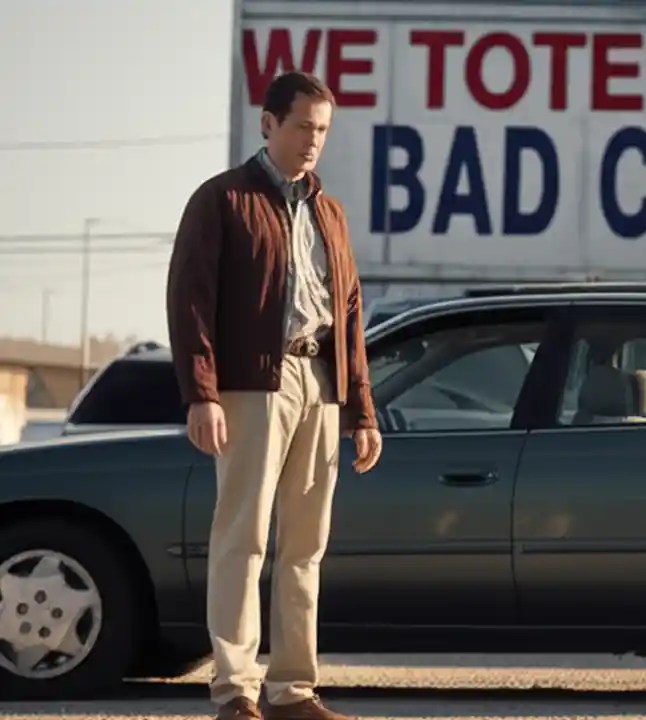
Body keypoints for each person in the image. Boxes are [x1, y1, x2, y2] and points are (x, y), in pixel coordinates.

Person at [166, 71, 382, 720]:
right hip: (254, 384)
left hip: (321, 384)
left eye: (323, 130)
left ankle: (293, 689)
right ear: (268, 124)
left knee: (305, 546)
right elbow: (190, 301)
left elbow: (349, 313)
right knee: (243, 537)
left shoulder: (330, 212)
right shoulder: (222, 199)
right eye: (303, 126)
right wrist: (201, 394)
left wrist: (362, 411)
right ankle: (236, 688)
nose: (313, 140)